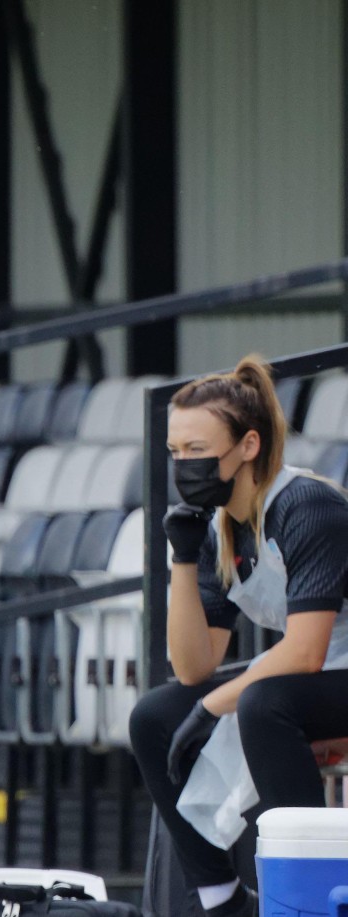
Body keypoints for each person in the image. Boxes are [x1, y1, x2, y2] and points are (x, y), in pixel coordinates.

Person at [130, 357, 348, 917]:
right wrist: (181, 557)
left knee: (264, 703)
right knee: (154, 715)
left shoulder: (308, 507)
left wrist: (208, 709)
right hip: (324, 674)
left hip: (326, 668)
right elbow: (194, 667)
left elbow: (304, 652)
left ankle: (312, 891)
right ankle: (221, 899)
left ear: (248, 446)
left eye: (198, 450)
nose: (184, 465)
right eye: (175, 452)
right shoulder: (218, 529)